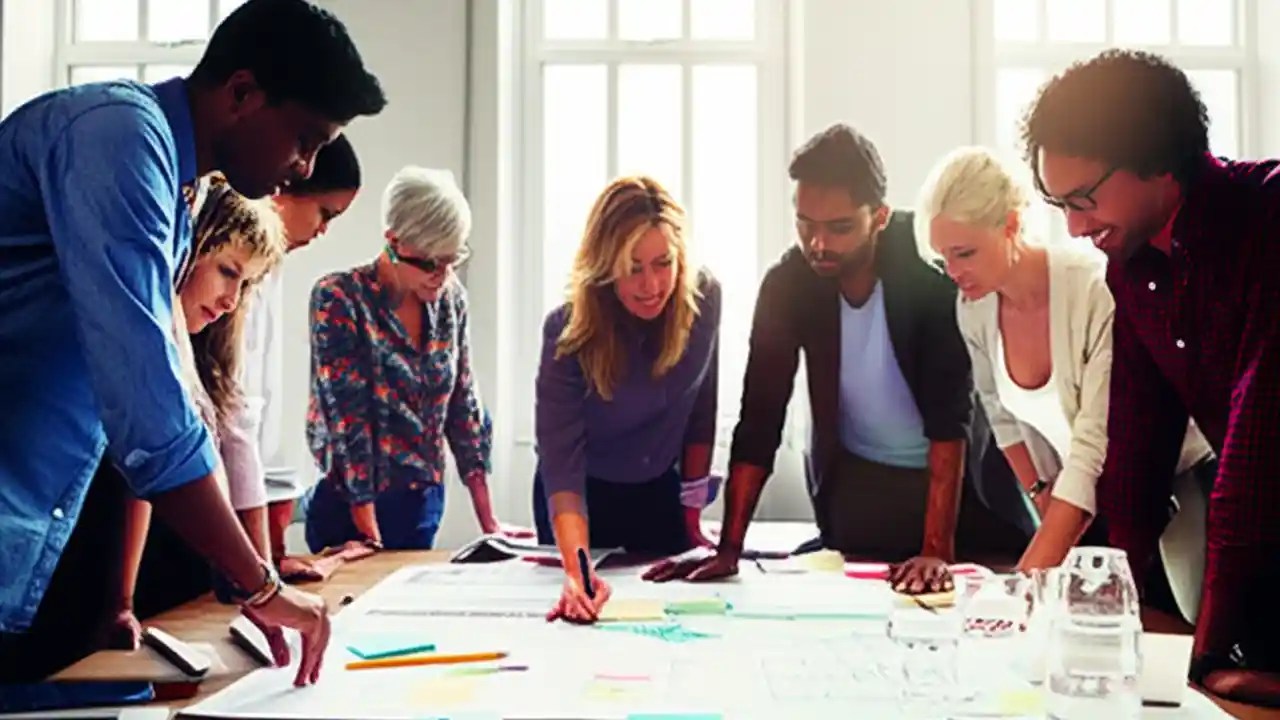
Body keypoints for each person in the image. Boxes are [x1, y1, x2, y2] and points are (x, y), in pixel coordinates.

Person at [0, 0, 385, 685]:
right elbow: (146, 404)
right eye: (306, 139)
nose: (303, 168)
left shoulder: (179, 189)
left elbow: (167, 407)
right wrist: (259, 585)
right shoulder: (120, 138)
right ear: (242, 92)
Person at [646, 124, 1029, 592]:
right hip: (861, 489)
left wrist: (935, 551)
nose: (819, 243)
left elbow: (953, 419)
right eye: (806, 224)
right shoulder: (788, 283)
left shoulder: (929, 267)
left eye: (840, 228)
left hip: (960, 491)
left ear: (881, 217)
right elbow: (760, 418)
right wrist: (728, 550)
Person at [1022, 48, 1280, 704]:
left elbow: (1253, 458)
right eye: (1060, 205)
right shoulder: (1133, 271)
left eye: (1085, 200)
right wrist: (1103, 611)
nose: (1075, 227)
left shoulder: (1269, 220)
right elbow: (1133, 453)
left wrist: (1208, 651)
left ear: (1160, 161)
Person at [917, 145, 1216, 619]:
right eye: (943, 258)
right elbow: (1002, 417)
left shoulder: (1094, 289)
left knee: (1194, 639)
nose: (953, 272)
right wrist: (1040, 493)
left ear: (1011, 225)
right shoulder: (973, 308)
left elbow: (1095, 443)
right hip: (1089, 493)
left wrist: (1019, 587)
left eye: (965, 253)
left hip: (1178, 481)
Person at [101, 178, 288, 650]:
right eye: (227, 271)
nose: (230, 301)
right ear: (188, 248)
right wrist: (121, 603)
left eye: (243, 286)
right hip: (112, 585)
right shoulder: (140, 340)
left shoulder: (199, 352)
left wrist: (259, 579)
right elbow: (145, 464)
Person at [536, 176, 721, 624]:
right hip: (583, 502)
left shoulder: (703, 299)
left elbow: (701, 410)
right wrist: (578, 572)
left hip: (661, 492)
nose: (651, 285)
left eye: (663, 263)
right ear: (604, 265)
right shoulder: (567, 330)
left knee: (672, 623)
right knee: (582, 621)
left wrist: (693, 521)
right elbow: (561, 465)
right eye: (632, 267)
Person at [303, 166, 516, 553]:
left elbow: (463, 406)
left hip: (421, 504)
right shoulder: (339, 299)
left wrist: (490, 523)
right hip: (348, 508)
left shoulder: (451, 301)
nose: (443, 274)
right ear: (393, 242)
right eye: (429, 263)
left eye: (452, 260)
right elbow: (347, 423)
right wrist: (369, 534)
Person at [242, 134, 365, 582]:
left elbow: (265, 414)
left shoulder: (273, 268)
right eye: (325, 214)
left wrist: (274, 556)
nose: (323, 231)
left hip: (248, 523)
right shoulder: (230, 271)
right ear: (285, 186)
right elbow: (237, 415)